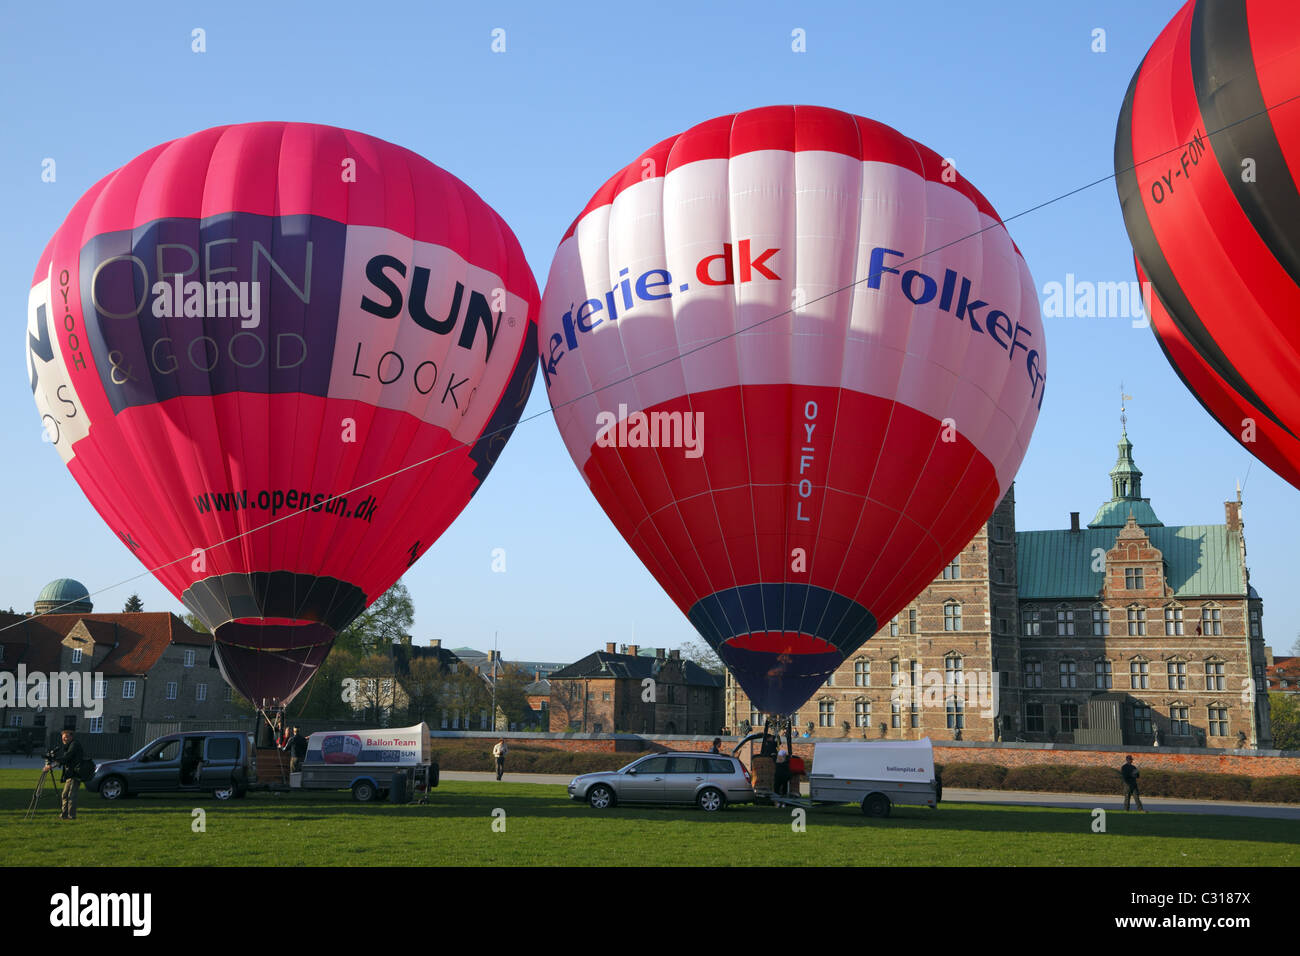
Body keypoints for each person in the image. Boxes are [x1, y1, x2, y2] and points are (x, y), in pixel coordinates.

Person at [45, 730, 85, 820]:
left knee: (71, 795)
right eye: (63, 737)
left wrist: (52, 765)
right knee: (65, 795)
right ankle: (64, 815)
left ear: (71, 737)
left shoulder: (74, 745)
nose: (64, 739)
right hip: (70, 774)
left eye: (66, 737)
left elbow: (67, 757)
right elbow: (65, 758)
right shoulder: (69, 745)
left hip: (75, 774)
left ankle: (71, 816)